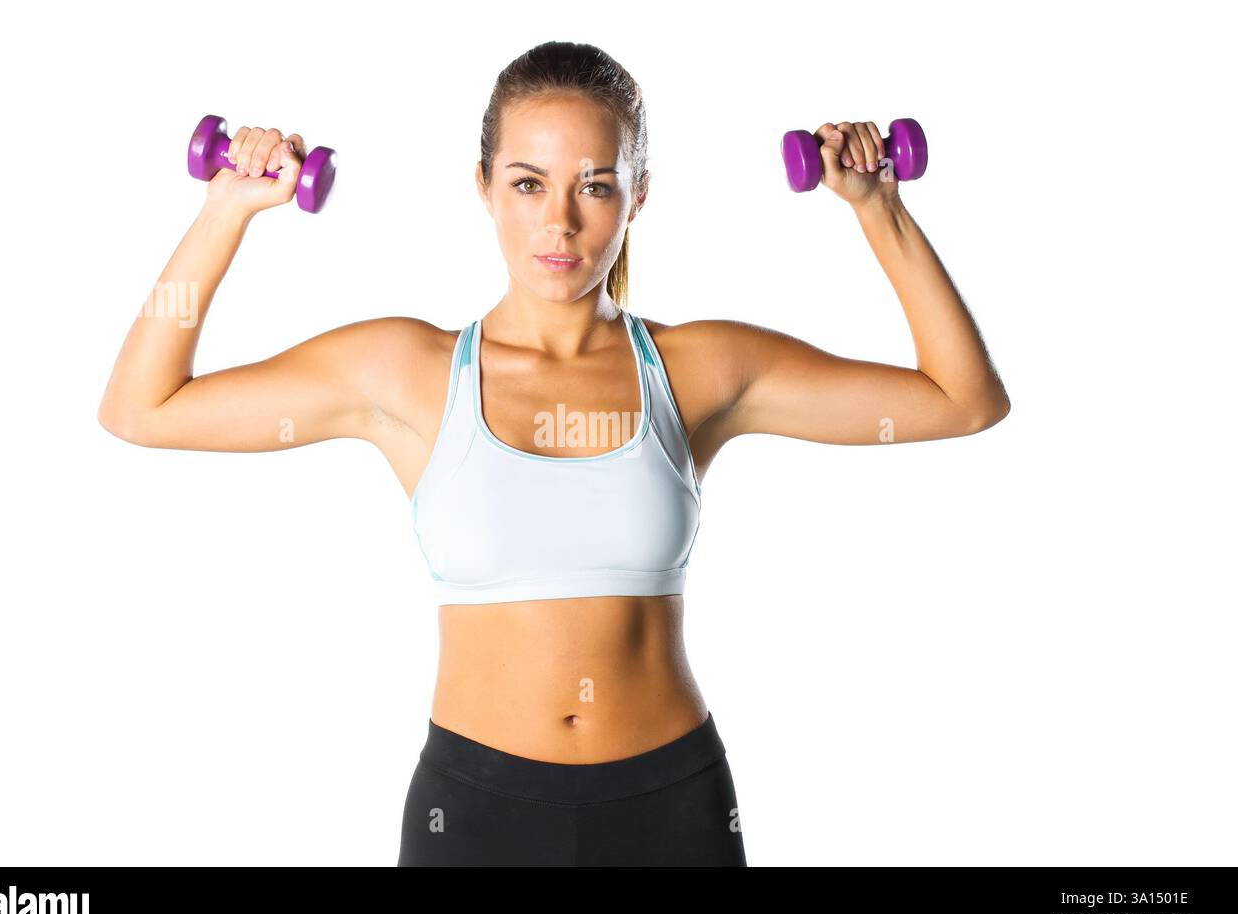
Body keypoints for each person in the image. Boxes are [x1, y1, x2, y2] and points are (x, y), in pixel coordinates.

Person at [98, 40, 1010, 867]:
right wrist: (226, 211)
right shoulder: (406, 371)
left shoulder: (697, 368)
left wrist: (879, 209)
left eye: (597, 184)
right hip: (476, 813)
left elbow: (962, 400)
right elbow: (143, 408)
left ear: (637, 196)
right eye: (529, 183)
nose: (561, 222)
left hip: (673, 810)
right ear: (485, 186)